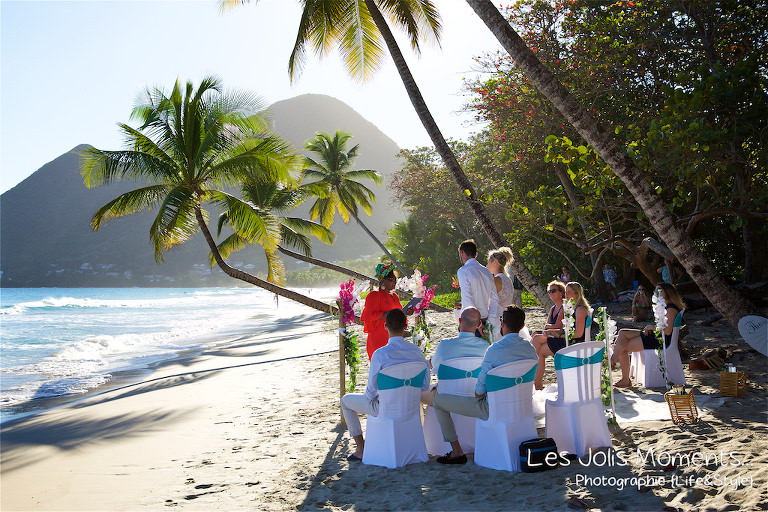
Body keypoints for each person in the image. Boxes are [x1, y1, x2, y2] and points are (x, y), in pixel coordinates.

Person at [432, 305, 537, 464]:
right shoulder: (530, 349)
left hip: (493, 408)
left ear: (502, 324)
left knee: (438, 402)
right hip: (522, 405)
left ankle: (456, 451)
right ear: (522, 326)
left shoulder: (494, 350)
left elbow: (479, 392)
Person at [340, 308, 430, 461]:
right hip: (411, 406)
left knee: (345, 401)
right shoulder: (417, 352)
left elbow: (370, 393)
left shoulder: (380, 354)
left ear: (385, 326)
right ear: (406, 326)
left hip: (386, 409)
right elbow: (425, 386)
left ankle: (361, 449)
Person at [610, 282, 686, 387]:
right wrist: (651, 327)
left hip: (662, 340)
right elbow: (662, 326)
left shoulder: (671, 309)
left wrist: (652, 327)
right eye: (656, 290)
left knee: (621, 346)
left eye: (660, 290)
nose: (656, 293)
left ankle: (622, 375)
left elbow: (667, 331)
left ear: (668, 292)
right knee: (622, 332)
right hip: (656, 335)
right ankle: (614, 362)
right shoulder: (664, 306)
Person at [421, 307, 489, 406]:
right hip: (475, 399)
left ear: (460, 321)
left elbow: (434, 368)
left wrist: (428, 362)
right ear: (479, 325)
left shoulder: (444, 345)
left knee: (415, 394)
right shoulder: (486, 347)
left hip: (447, 399)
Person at [531, 282, 591, 390]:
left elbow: (578, 334)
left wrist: (559, 335)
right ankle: (537, 384)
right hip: (568, 340)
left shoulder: (580, 310)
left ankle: (533, 377)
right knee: (538, 343)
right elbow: (564, 328)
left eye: (568, 293)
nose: (566, 295)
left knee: (537, 341)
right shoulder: (573, 308)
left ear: (577, 294)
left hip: (574, 343)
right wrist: (558, 332)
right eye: (566, 292)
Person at [456, 239, 500, 339]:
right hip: (486, 319)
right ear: (476, 254)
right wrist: (489, 322)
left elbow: (468, 300)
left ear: (462, 252)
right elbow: (494, 299)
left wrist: (479, 324)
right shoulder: (487, 271)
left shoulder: (463, 271)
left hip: (471, 323)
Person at [360, 262, 402, 360]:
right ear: (382, 281)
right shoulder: (374, 295)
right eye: (391, 279)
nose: (394, 282)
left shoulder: (394, 296)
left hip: (394, 337)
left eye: (395, 279)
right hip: (379, 336)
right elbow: (369, 315)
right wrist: (391, 314)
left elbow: (399, 313)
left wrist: (406, 313)